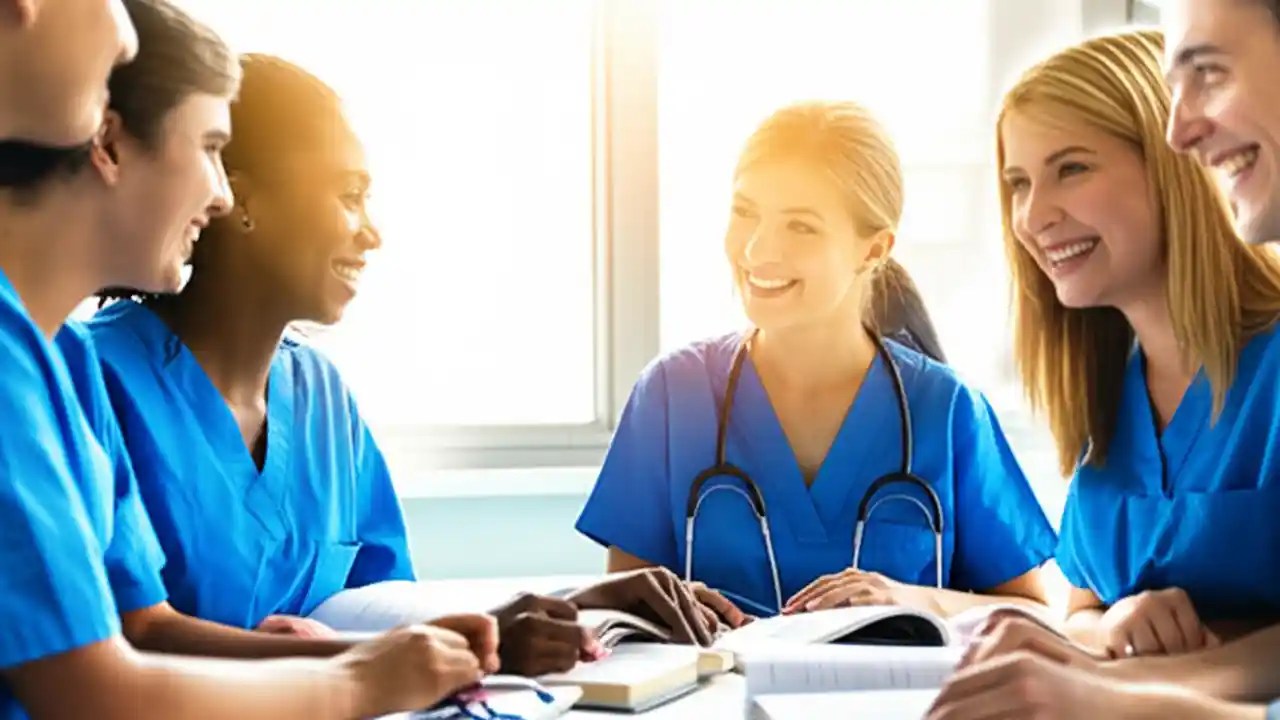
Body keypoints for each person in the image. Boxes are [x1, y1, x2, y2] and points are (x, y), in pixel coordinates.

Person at [86, 49, 719, 677]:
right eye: (350, 195)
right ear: (241, 201)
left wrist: (565, 608)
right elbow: (118, 643)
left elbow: (378, 611)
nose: (371, 233)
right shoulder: (93, 377)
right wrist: (466, 645)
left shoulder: (321, 399)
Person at [0, 0, 499, 717]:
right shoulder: (40, 370)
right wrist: (356, 682)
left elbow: (146, 625)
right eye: (208, 148)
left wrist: (397, 656)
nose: (221, 192)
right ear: (106, 143)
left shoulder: (62, 360)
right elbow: (91, 685)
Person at [575, 100, 1057, 621]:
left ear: (873, 250)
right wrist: (664, 611)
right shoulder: (671, 396)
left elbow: (1029, 614)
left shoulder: (946, 411)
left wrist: (917, 599)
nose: (758, 249)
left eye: (800, 226)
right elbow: (622, 615)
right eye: (745, 213)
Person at [927, 25, 1280, 719]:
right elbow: (1082, 610)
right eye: (1019, 184)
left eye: (1072, 169)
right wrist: (1112, 632)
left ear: (1173, 163)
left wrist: (1135, 688)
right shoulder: (1110, 406)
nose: (1033, 216)